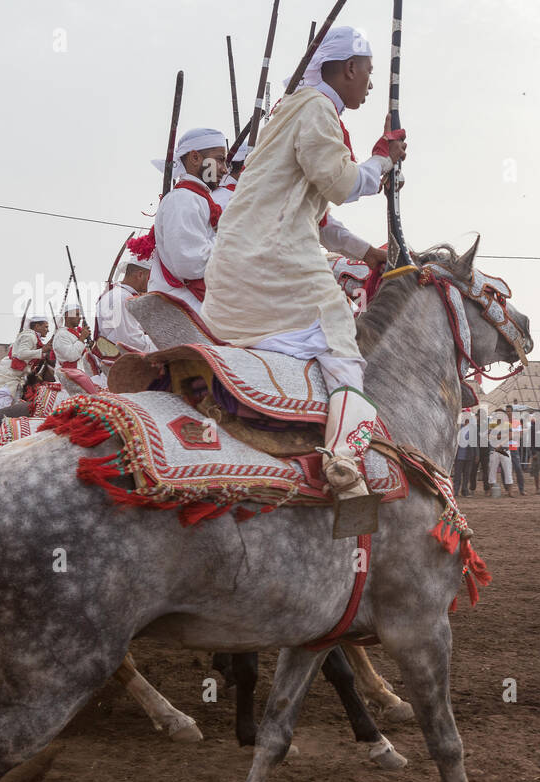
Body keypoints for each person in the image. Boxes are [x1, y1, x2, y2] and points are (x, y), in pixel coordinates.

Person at [200, 25, 407, 534]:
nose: (371, 84)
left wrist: (368, 253)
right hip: (273, 262)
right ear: (350, 68)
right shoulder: (315, 108)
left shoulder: (293, 112)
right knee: (344, 351)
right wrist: (382, 160)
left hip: (241, 267)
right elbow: (338, 183)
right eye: (369, 73)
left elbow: (315, 216)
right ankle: (345, 463)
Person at [147, 127, 229, 315]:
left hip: (196, 303)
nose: (224, 169)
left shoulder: (196, 198)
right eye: (219, 160)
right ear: (194, 158)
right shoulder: (184, 199)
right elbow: (190, 264)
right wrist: (232, 240)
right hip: (185, 307)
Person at [95, 255, 154, 353]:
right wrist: (162, 344)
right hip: (120, 362)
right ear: (140, 275)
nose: (152, 282)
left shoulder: (118, 293)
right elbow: (131, 341)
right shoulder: (123, 298)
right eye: (150, 278)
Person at [0, 316, 49, 411]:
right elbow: (21, 354)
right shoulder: (29, 336)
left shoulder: (33, 337)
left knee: (13, 408)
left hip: (16, 377)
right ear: (37, 326)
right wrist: (41, 351)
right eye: (46, 327)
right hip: (7, 375)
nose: (48, 330)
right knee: (2, 407)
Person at [53, 304, 105, 394]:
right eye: (77, 315)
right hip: (69, 381)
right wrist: (82, 338)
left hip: (83, 377)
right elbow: (71, 356)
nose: (80, 318)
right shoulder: (61, 335)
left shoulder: (75, 333)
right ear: (67, 316)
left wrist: (90, 343)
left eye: (80, 315)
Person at [487, 411, 518, 498]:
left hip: (504, 449)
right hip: (495, 450)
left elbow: (510, 436)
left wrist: (499, 441)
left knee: (508, 470)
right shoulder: (492, 425)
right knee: (492, 470)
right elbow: (489, 436)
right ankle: (490, 490)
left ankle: (510, 491)